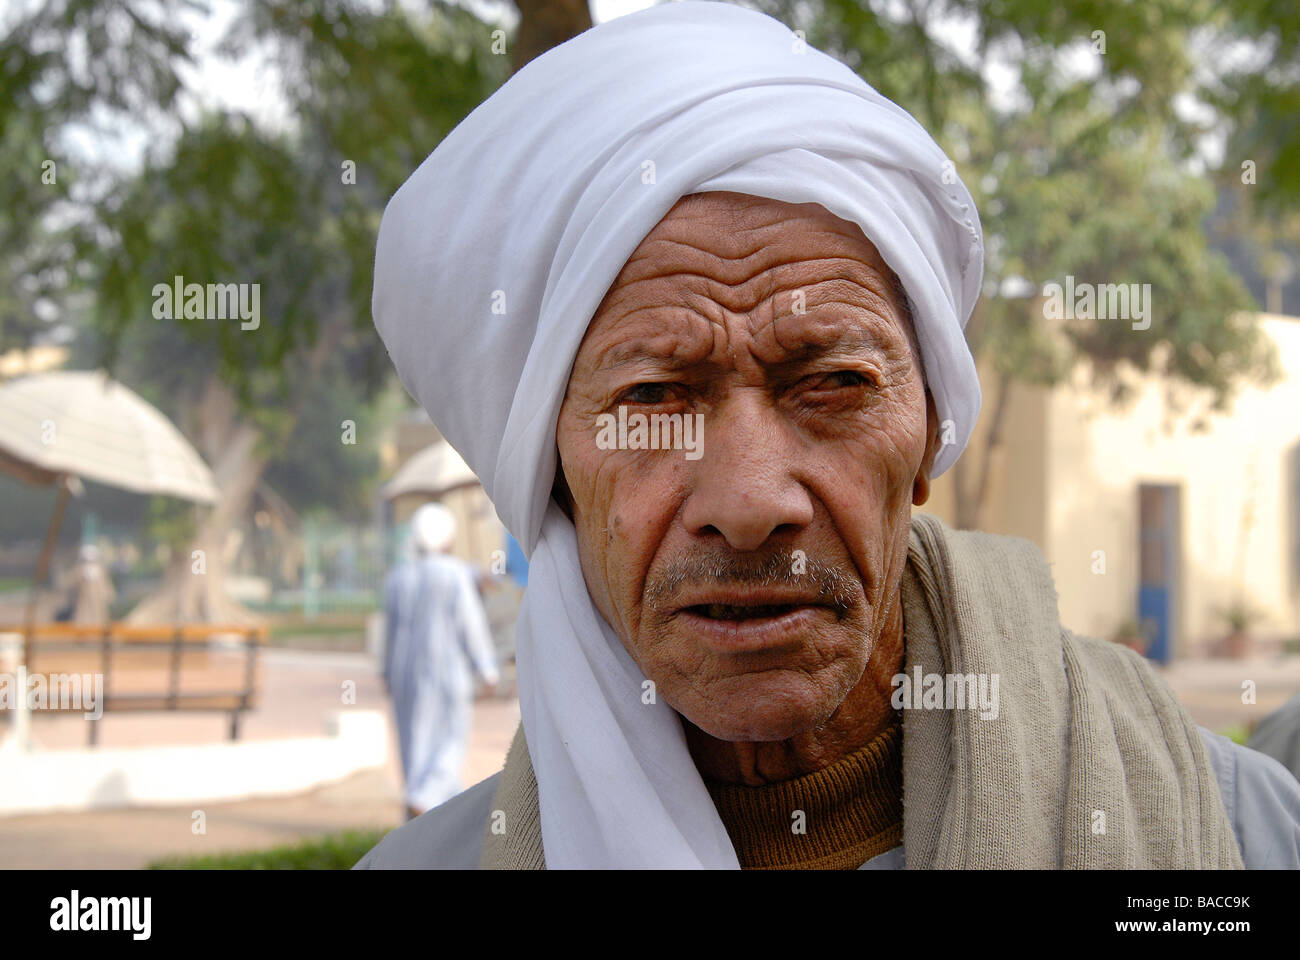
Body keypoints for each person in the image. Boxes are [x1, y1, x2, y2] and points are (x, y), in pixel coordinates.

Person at [357, 2, 1300, 868]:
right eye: (653, 398)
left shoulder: (1235, 834)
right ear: (551, 471)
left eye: (833, 385)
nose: (751, 502)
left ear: (928, 433)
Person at [382, 503, 499, 821]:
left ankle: (417, 805)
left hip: (404, 675)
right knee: (450, 739)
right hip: (446, 672)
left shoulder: (398, 577)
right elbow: (470, 625)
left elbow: (388, 634)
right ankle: (426, 798)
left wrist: (386, 673)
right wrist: (486, 668)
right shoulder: (453, 574)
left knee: (414, 743)